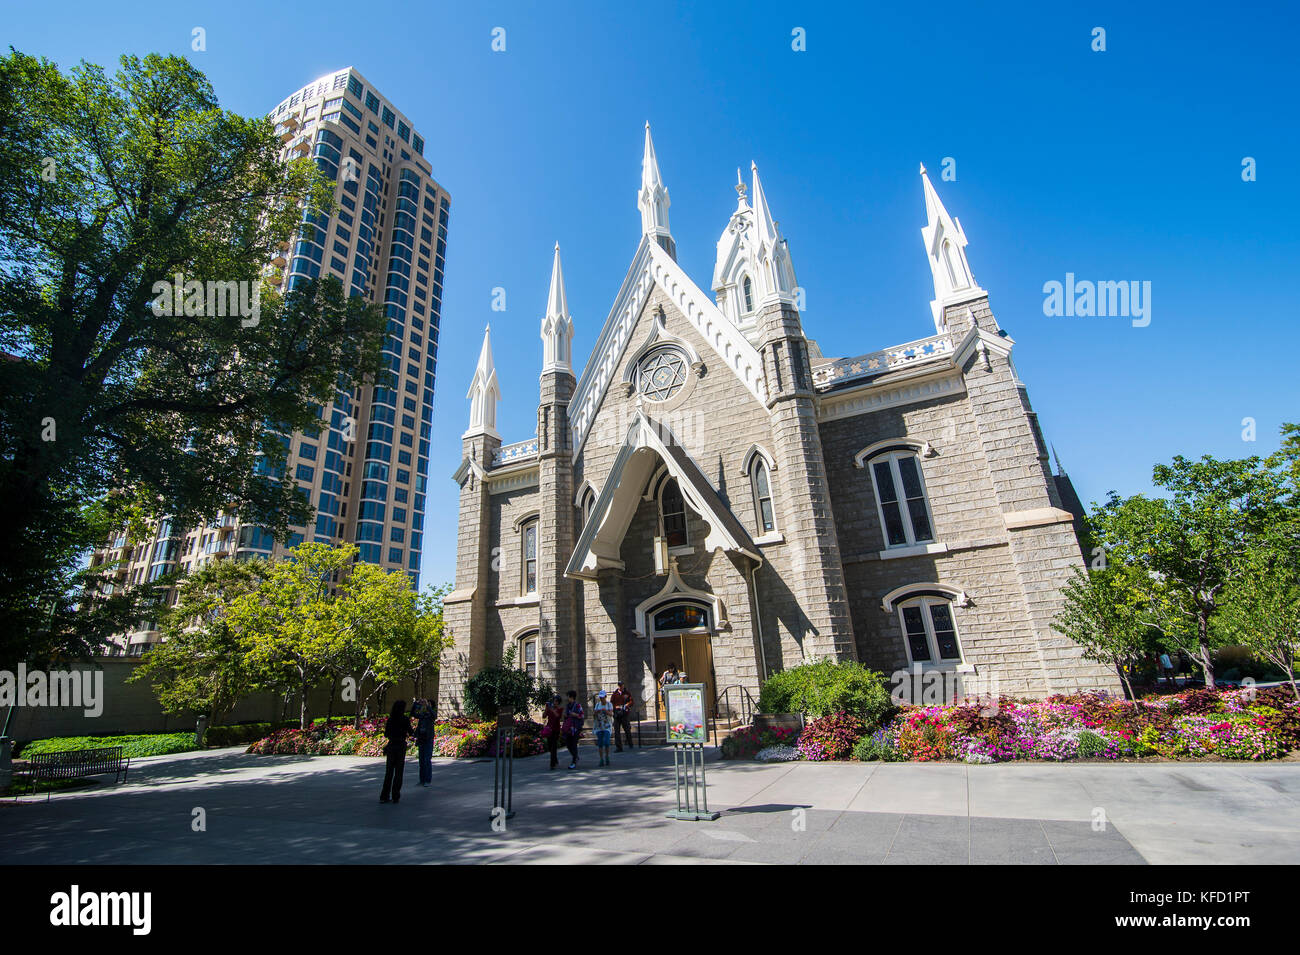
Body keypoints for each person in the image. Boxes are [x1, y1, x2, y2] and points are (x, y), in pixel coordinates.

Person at [380, 699, 411, 804]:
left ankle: (384, 796)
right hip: (401, 745)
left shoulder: (391, 719)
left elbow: (386, 734)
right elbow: (411, 732)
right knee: (399, 772)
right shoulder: (405, 719)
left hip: (392, 745)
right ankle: (395, 796)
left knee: (389, 772)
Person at [410, 697, 435, 786]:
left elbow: (434, 715)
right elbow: (412, 714)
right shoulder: (422, 716)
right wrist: (415, 704)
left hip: (428, 739)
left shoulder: (430, 716)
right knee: (421, 761)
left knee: (427, 760)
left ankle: (427, 780)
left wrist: (427, 706)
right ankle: (422, 779)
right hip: (421, 739)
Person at [562, 690, 585, 770]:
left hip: (575, 728)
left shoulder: (577, 705)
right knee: (568, 744)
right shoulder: (568, 706)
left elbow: (582, 715)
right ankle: (575, 757)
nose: (567, 698)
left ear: (571, 697)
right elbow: (566, 716)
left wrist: (575, 714)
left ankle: (573, 762)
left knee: (574, 744)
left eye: (568, 696)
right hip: (569, 728)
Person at [610, 680, 635, 752]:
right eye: (619, 685)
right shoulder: (615, 694)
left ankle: (630, 743)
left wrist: (627, 705)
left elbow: (631, 701)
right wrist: (616, 707)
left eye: (622, 685)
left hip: (624, 714)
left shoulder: (627, 693)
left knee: (627, 729)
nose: (621, 686)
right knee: (617, 731)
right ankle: (619, 747)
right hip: (617, 714)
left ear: (623, 685)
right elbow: (612, 703)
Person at [592, 690, 614, 766]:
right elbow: (594, 714)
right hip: (599, 726)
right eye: (600, 698)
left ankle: (607, 756)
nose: (601, 699)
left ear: (605, 697)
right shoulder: (597, 705)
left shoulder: (609, 704)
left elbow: (611, 714)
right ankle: (601, 759)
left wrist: (606, 711)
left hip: (607, 726)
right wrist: (596, 712)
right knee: (600, 743)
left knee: (607, 742)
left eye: (603, 697)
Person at [542, 694, 564, 770]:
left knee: (553, 747)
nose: (555, 702)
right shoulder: (550, 708)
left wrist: (552, 710)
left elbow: (558, 716)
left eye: (556, 701)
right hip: (549, 730)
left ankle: (552, 764)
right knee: (549, 746)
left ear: (558, 702)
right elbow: (544, 716)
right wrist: (546, 709)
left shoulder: (560, 709)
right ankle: (555, 759)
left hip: (556, 730)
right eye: (554, 701)